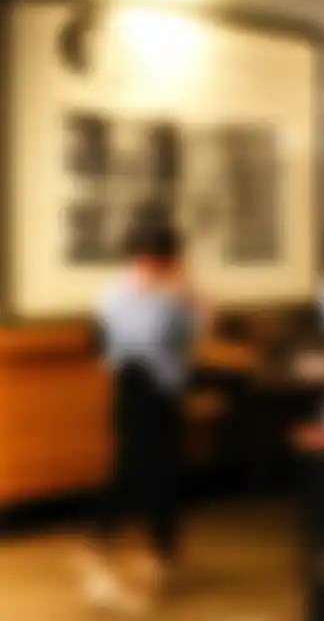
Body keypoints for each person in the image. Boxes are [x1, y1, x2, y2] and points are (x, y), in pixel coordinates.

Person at [84, 223, 196, 611]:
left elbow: (191, 337)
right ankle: (100, 555)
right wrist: (175, 300)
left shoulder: (177, 293)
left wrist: (186, 298)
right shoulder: (118, 294)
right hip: (135, 388)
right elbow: (125, 343)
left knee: (165, 472)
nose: (155, 265)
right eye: (150, 258)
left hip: (167, 390)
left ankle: (162, 557)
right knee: (130, 472)